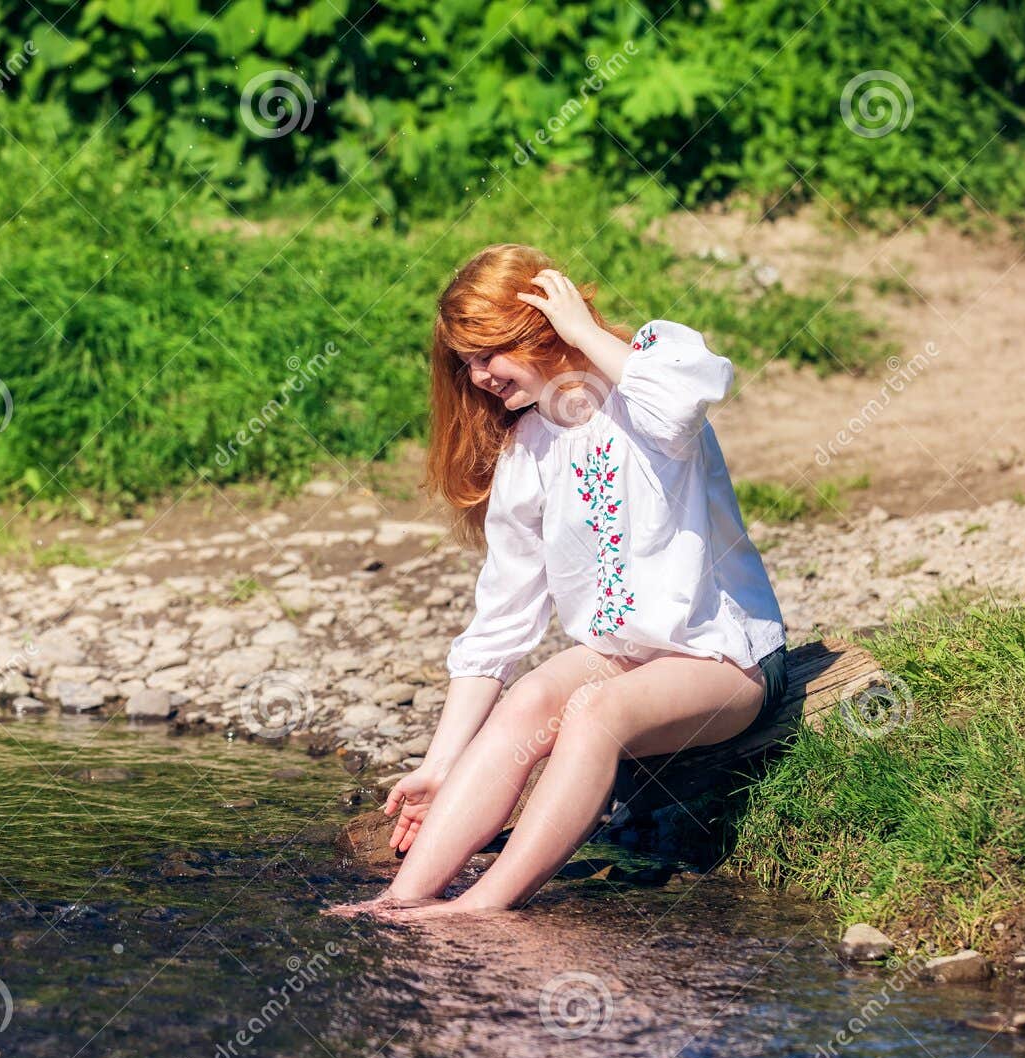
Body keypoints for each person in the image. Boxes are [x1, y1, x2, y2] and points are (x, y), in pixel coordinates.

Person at [335, 243, 787, 920]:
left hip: (725, 657)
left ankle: (484, 906)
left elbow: (692, 395)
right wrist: (438, 764)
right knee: (529, 698)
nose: (479, 376)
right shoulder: (529, 448)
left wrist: (582, 335)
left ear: (541, 325)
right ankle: (401, 899)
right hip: (625, 653)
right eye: (465, 363)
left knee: (592, 711)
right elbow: (502, 619)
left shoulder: (648, 375)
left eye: (489, 352)